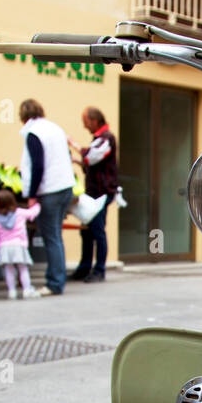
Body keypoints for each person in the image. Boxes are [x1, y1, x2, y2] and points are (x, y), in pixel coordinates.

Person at [18, 99, 76, 295]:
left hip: (50, 189)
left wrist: (32, 195)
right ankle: (57, 278)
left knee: (51, 236)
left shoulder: (34, 133)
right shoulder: (55, 128)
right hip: (65, 186)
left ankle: (55, 283)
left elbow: (38, 165)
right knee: (56, 236)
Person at [69, 108, 118, 282]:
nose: (84, 125)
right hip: (92, 193)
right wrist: (78, 161)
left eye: (86, 122)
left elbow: (91, 157)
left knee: (97, 230)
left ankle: (99, 270)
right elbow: (91, 163)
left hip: (102, 193)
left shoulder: (106, 138)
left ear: (94, 120)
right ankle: (84, 268)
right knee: (87, 231)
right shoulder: (100, 139)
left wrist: (74, 145)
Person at [0, 189, 41, 299]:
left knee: (9, 270)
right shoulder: (19, 213)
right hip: (19, 245)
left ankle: (12, 291)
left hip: (4, 247)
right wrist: (37, 204)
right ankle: (27, 290)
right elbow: (33, 213)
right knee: (23, 268)